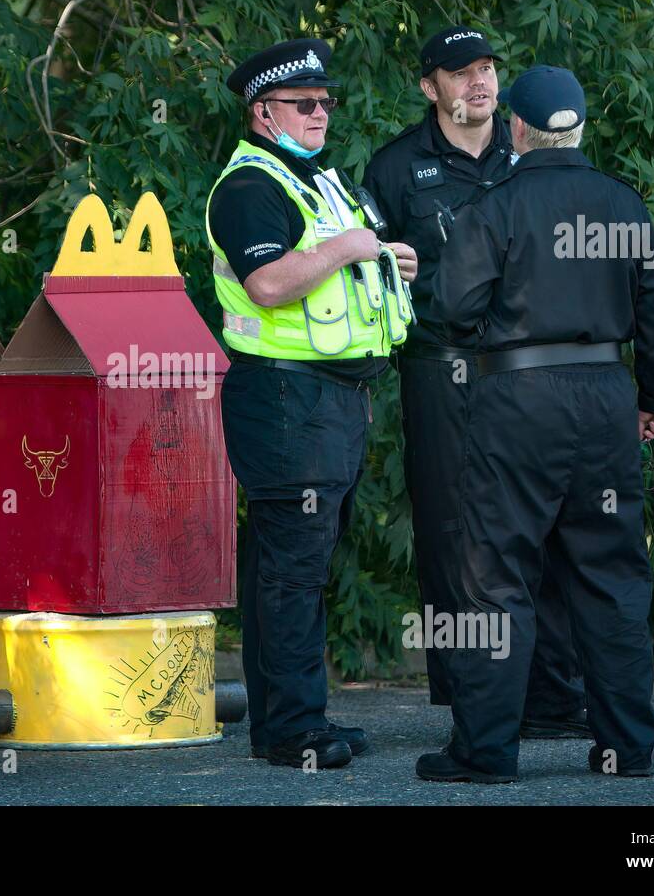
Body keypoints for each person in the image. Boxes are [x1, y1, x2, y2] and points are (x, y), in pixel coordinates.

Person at [420, 65, 654, 782]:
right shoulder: (625, 204)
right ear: (580, 128)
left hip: (518, 401)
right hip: (604, 396)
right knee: (613, 574)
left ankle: (486, 751)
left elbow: (452, 309)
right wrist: (653, 397)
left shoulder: (496, 204)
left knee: (497, 575)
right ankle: (626, 747)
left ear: (517, 130)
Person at [362, 26, 588, 738]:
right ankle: (475, 704)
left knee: (546, 525)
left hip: (532, 366)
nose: (481, 82)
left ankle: (549, 697)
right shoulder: (395, 167)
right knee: (453, 533)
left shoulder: (530, 153)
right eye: (461, 73)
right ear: (431, 87)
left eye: (488, 67)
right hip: (441, 368)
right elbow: (364, 273)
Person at [207, 38, 417, 768]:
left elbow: (341, 265)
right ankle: (295, 727)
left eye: (326, 100)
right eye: (304, 103)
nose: (321, 111)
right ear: (264, 113)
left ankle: (284, 719)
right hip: (286, 394)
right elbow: (267, 283)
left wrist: (385, 259)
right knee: (292, 570)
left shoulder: (314, 179)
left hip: (328, 399)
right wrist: (354, 246)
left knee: (290, 564)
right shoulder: (250, 187)